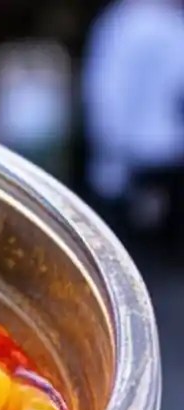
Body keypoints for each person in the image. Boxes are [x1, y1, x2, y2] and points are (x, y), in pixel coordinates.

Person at [83, 0, 184, 261]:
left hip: (168, 164)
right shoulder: (128, 21)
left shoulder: (172, 23)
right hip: (133, 166)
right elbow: (106, 96)